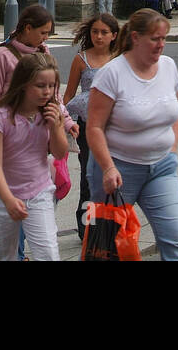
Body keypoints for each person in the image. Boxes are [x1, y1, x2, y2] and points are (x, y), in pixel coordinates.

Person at [86, 9, 178, 260]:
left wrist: (173, 149)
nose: (161, 45)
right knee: (106, 248)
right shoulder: (111, 74)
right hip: (118, 171)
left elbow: (175, 111)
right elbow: (94, 127)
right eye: (155, 39)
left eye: (164, 38)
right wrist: (109, 168)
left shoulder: (168, 66)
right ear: (135, 37)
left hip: (162, 167)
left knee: (176, 240)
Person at [0, 4, 77, 257]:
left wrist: (60, 124)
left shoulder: (47, 108)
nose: (47, 92)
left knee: (48, 253)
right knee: (5, 255)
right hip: (1, 196)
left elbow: (59, 152)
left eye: (50, 86)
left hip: (39, 192)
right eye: (40, 86)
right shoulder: (3, 58)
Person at [63, 12, 119, 228]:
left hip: (114, 126)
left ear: (114, 35)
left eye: (104, 32)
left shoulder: (120, 59)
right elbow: (68, 95)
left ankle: (111, 220)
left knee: (113, 173)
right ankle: (87, 225)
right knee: (89, 176)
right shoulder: (81, 59)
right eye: (95, 32)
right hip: (87, 126)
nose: (98, 36)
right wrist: (65, 123)